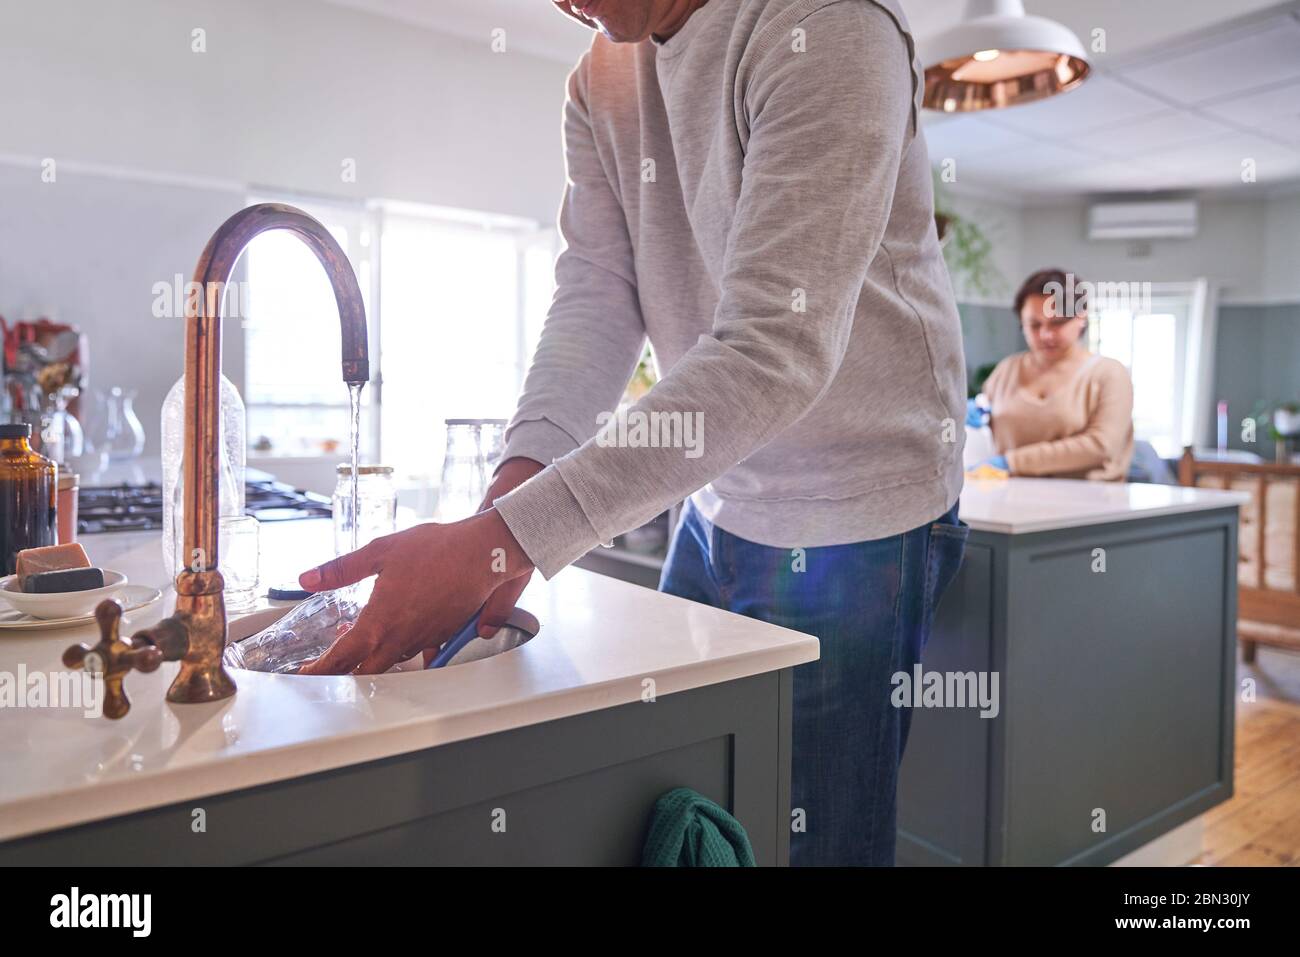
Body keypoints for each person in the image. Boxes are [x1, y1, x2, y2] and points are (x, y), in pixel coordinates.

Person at [298, 0, 969, 866]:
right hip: (719, 493)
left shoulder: (831, 23)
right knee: (685, 814)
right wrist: (507, 505)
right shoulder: (601, 75)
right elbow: (596, 294)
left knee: (815, 840)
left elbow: (776, 347)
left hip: (859, 507)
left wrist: (508, 542)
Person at [968, 268, 1134, 481]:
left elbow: (1101, 445)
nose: (1045, 335)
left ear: (1081, 318)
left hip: (1092, 505)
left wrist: (1012, 462)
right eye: (1034, 325)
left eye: (1058, 323)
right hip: (1010, 502)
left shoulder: (1109, 374)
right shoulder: (1007, 370)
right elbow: (986, 421)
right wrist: (975, 416)